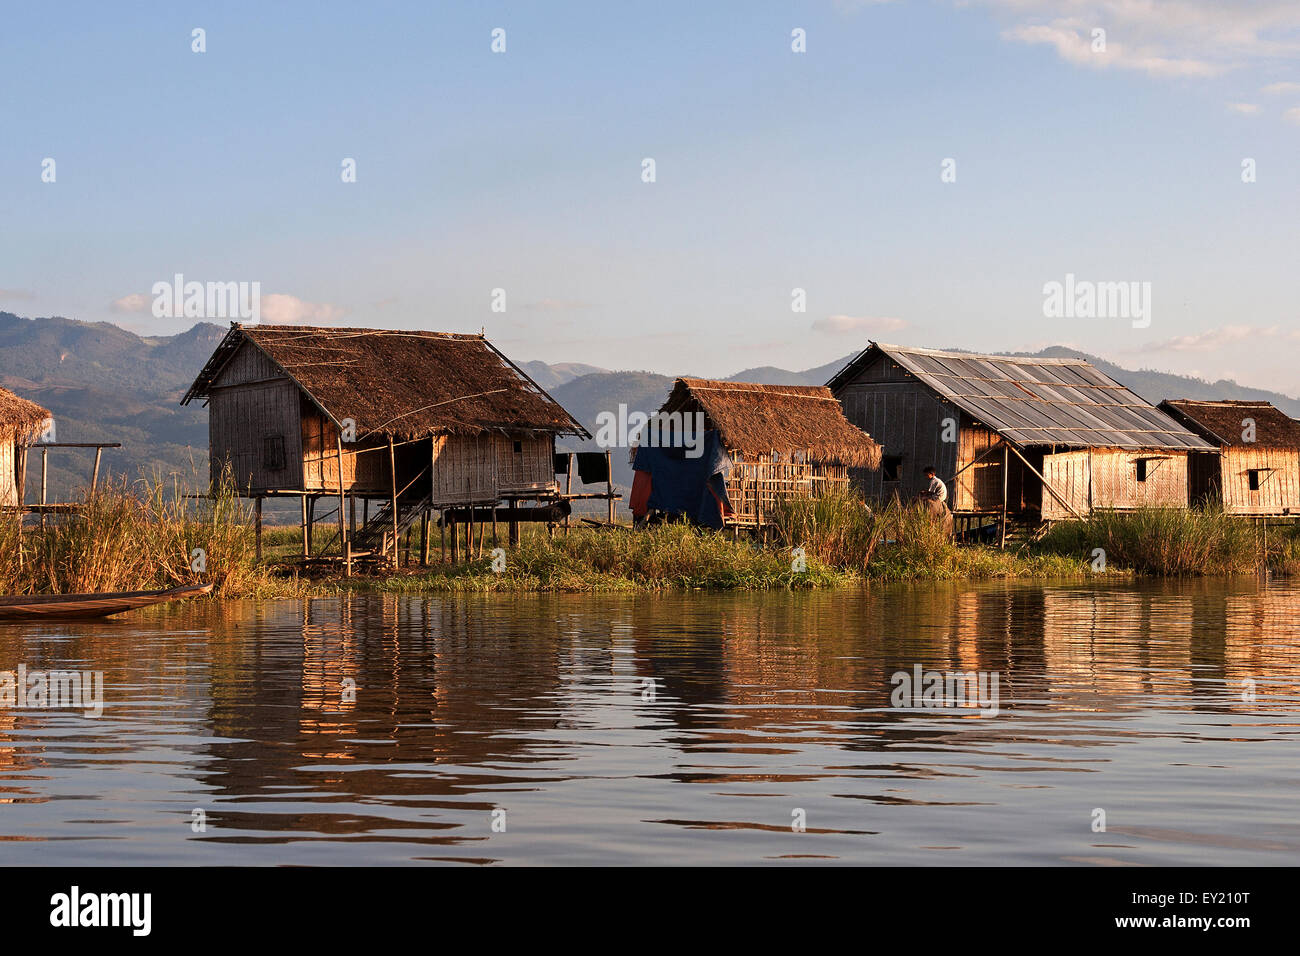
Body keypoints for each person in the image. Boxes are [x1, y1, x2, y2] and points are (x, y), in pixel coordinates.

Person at [920, 466, 954, 540]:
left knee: (924, 499)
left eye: (926, 475)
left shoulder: (933, 481)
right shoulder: (937, 480)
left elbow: (930, 492)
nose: (926, 477)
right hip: (939, 496)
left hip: (938, 497)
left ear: (932, 474)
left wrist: (923, 494)